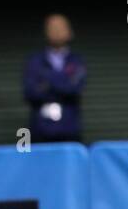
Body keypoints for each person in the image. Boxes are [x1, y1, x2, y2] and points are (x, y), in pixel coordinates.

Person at [23, 13, 86, 143]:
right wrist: (63, 80)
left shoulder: (77, 61)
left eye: (61, 27)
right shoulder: (34, 62)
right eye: (53, 27)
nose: (57, 31)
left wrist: (47, 81)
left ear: (70, 32)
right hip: (40, 132)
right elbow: (30, 92)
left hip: (70, 131)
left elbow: (74, 89)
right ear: (46, 32)